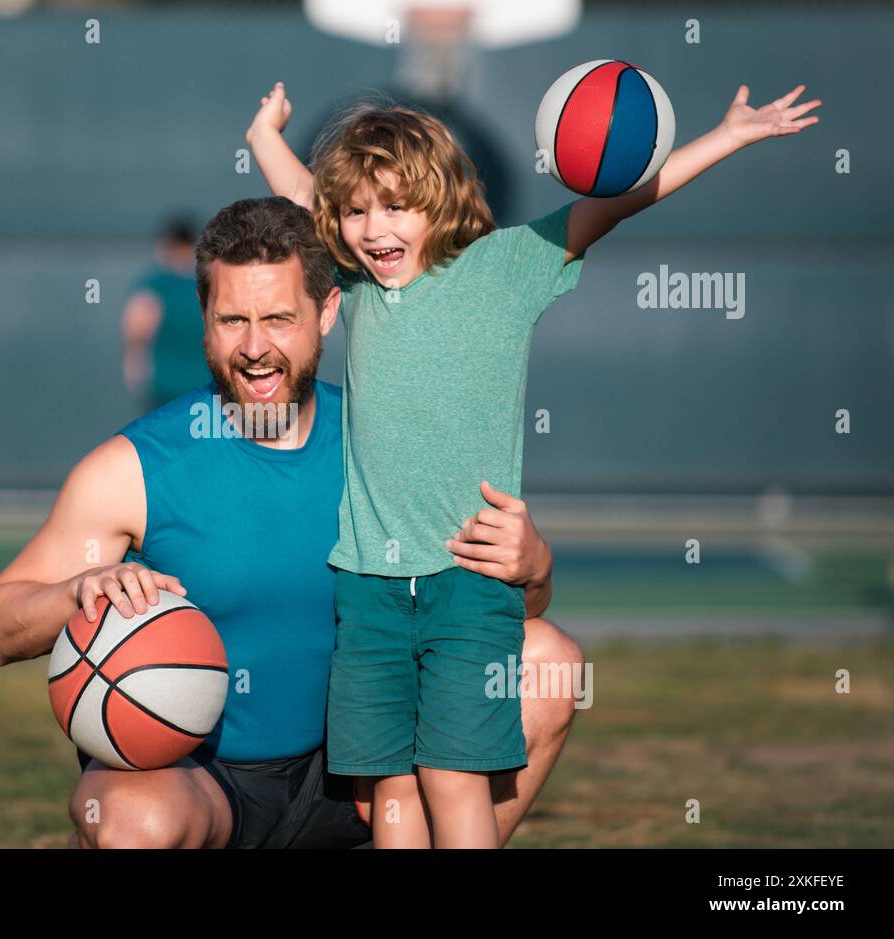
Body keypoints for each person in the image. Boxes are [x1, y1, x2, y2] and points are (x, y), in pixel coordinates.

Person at [245, 80, 821, 846]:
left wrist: (730, 134)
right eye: (356, 212)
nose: (372, 228)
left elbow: (616, 203)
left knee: (453, 775)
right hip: (369, 587)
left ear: (441, 202)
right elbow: (302, 189)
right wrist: (263, 132)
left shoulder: (507, 266)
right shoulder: (356, 283)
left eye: (394, 207)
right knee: (386, 794)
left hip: (467, 583)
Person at [0, 197, 582, 848]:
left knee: (550, 663)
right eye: (231, 320)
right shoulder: (134, 467)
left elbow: (501, 611)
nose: (255, 347)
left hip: (363, 765)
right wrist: (80, 588)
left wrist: (534, 566)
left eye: (278, 318)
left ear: (327, 313)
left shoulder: (384, 436)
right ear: (205, 322)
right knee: (129, 819)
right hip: (202, 781)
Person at [121, 218, 211, 408]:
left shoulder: (156, 285)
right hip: (206, 390)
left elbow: (136, 331)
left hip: (166, 390)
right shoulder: (209, 285)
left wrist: (134, 364)